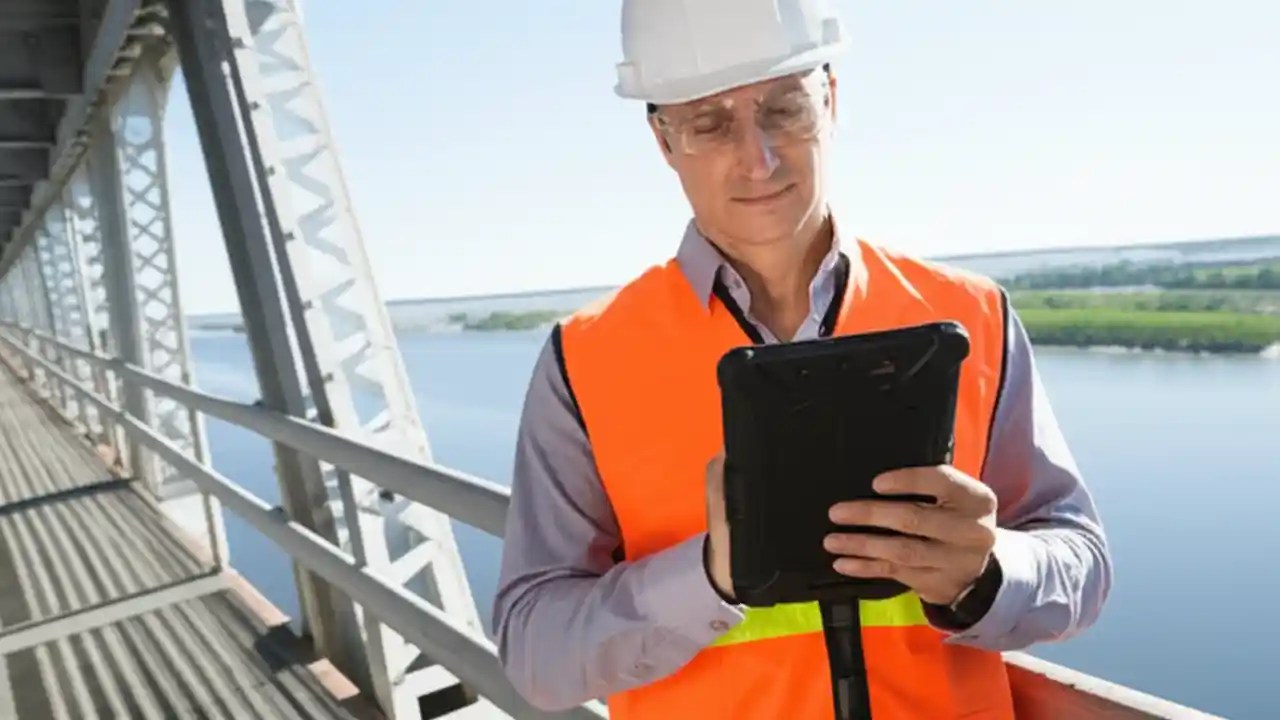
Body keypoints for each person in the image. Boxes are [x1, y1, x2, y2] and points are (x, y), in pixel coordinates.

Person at [492, 1, 1112, 718]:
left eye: (784, 108)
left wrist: (988, 570)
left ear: (830, 100)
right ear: (664, 141)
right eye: (709, 123)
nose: (757, 157)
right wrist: (708, 575)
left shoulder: (973, 316)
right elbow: (536, 656)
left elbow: (1082, 568)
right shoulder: (586, 361)